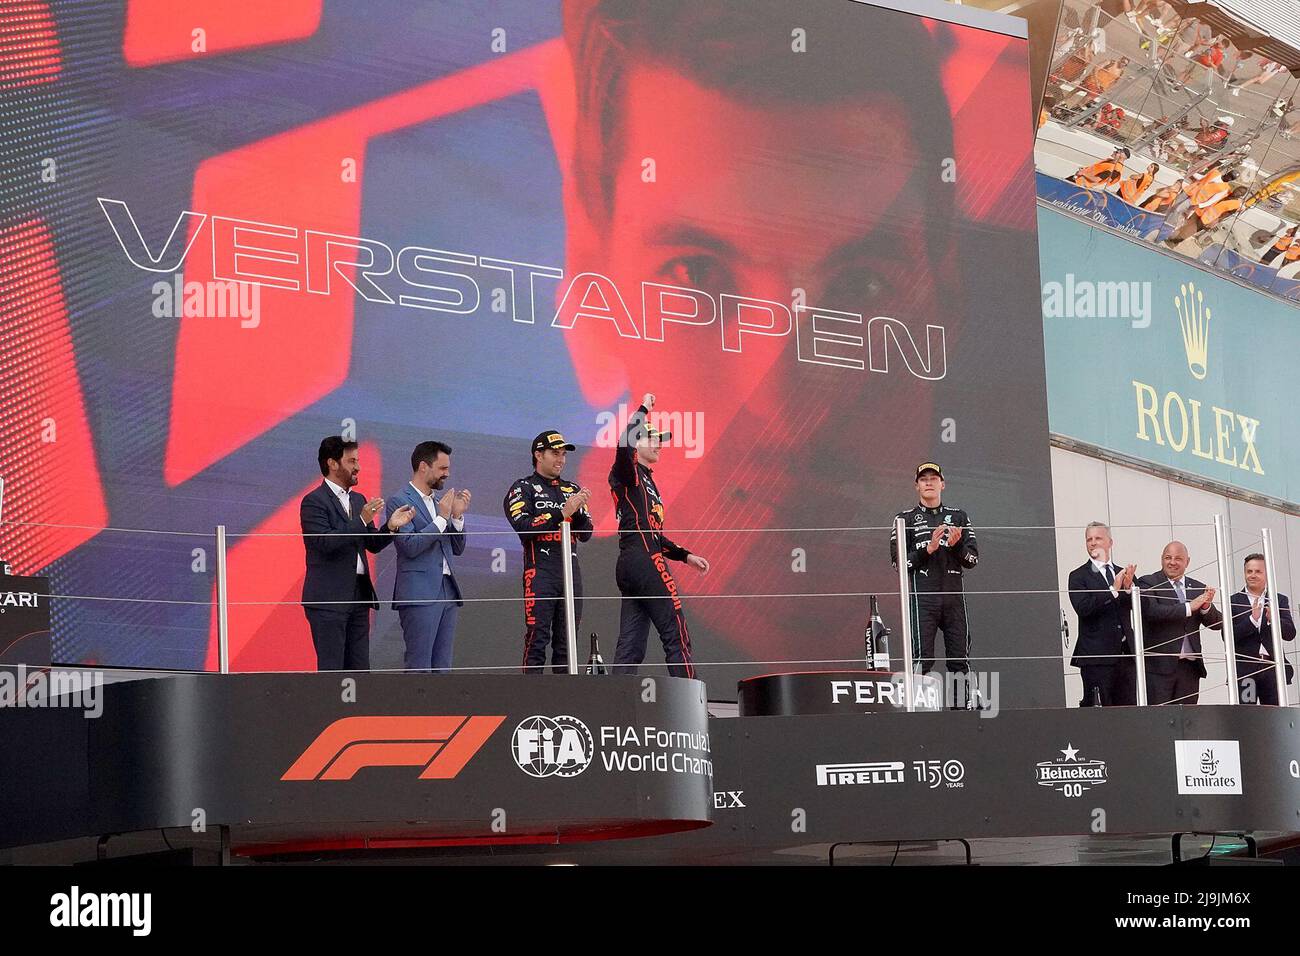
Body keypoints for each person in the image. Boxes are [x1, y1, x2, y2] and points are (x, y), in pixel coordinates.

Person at [609, 393, 710, 678]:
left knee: (631, 646)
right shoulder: (628, 473)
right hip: (643, 560)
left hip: (636, 561)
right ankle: (691, 708)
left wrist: (685, 556)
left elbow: (653, 534)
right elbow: (622, 443)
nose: (658, 443)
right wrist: (643, 409)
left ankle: (616, 707)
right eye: (651, 437)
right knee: (676, 631)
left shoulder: (648, 479)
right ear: (637, 445)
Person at [300, 437, 415, 671]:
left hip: (359, 597)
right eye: (351, 461)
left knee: (360, 668)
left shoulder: (358, 499)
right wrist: (361, 519)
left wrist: (391, 526)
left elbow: (371, 543)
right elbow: (325, 543)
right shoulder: (314, 502)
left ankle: (357, 709)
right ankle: (332, 708)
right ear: (332, 463)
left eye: (358, 461)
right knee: (332, 669)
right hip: (328, 600)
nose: (358, 467)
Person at [504, 431, 593, 674]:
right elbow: (523, 527)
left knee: (568, 642)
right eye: (555, 453)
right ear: (538, 454)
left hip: (570, 573)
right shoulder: (523, 488)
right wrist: (562, 513)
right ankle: (531, 702)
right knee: (537, 638)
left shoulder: (571, 489)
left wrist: (578, 512)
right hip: (540, 572)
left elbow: (586, 533)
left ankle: (566, 703)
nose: (561, 459)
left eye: (563, 454)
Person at [890, 463, 979, 699]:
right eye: (923, 479)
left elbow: (972, 560)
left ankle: (961, 713)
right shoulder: (904, 518)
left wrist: (957, 545)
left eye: (933, 478)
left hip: (953, 600)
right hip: (923, 600)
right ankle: (921, 715)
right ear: (916, 486)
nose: (928, 482)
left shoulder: (959, 516)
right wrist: (927, 549)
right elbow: (899, 564)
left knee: (959, 660)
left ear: (943, 484)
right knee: (921, 660)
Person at [386, 441, 470, 672]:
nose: (447, 474)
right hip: (419, 592)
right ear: (424, 466)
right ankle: (416, 709)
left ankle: (442, 709)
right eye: (442, 468)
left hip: (448, 591)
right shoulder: (400, 500)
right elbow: (409, 546)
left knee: (443, 668)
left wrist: (456, 518)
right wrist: (441, 519)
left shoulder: (438, 502)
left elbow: (457, 548)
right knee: (419, 666)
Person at [1136, 541, 1222, 705]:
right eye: (1168, 558)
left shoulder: (1197, 587)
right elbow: (1152, 612)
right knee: (1159, 720)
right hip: (1158, 668)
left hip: (1189, 669)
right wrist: (1189, 607)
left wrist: (1205, 606)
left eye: (1178, 558)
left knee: (1187, 722)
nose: (1172, 562)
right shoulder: (1148, 582)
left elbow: (1216, 623)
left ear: (1187, 562)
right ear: (1161, 559)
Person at [1067, 522, 1136, 706]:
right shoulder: (1078, 576)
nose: (1093, 542)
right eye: (1089, 539)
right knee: (1101, 714)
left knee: (1129, 711)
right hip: (1096, 658)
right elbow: (1084, 608)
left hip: (1125, 656)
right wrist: (1113, 590)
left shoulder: (1124, 573)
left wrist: (1129, 589)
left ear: (1110, 542)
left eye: (1098, 538)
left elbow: (1138, 609)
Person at [1229, 554, 1295, 705]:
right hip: (1246, 672)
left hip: (1273, 669)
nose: (1253, 575)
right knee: (1248, 716)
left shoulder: (1279, 600)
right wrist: (1252, 620)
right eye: (1249, 571)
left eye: (1258, 571)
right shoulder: (1233, 601)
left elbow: (1290, 633)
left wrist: (1275, 620)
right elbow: (1228, 636)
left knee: (1273, 717)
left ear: (1267, 574)